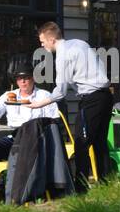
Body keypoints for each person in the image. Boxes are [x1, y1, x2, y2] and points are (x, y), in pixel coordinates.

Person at [26, 22, 114, 187]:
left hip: (91, 99)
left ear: (52, 39)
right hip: (106, 96)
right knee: (100, 142)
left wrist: (39, 104)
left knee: (81, 142)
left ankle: (80, 186)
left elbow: (61, 91)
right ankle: (105, 182)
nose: (41, 44)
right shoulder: (81, 43)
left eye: (43, 41)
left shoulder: (62, 56)